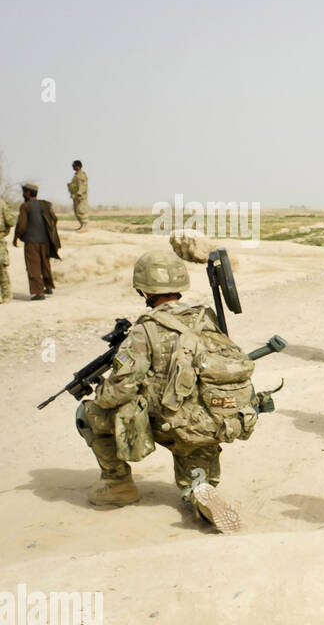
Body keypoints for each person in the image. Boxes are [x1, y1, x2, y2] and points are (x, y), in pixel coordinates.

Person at [79, 250, 256, 533]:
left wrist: (100, 393)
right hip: (211, 425)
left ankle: (118, 484)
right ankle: (199, 496)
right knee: (195, 485)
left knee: (88, 414)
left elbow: (122, 388)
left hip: (169, 425)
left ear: (144, 289)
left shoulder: (145, 330)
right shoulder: (205, 318)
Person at [12, 182, 60, 300]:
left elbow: (22, 225)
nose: (23, 194)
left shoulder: (25, 206)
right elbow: (54, 219)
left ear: (28, 193)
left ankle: (38, 293)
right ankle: (48, 287)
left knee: (33, 266)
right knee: (45, 264)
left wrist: (16, 237)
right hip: (45, 241)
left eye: (24, 192)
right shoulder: (45, 205)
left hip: (31, 242)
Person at [68, 160, 89, 232]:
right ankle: (81, 225)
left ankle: (84, 226)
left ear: (78, 166)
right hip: (76, 197)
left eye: (74, 166)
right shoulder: (76, 174)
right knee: (77, 212)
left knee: (81, 211)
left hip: (81, 198)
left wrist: (79, 195)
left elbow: (82, 186)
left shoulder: (81, 175)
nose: (72, 167)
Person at [0, 197, 13, 303]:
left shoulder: (1, 203)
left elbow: (10, 221)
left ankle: (6, 295)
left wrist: (3, 233)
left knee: (1, 269)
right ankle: (5, 295)